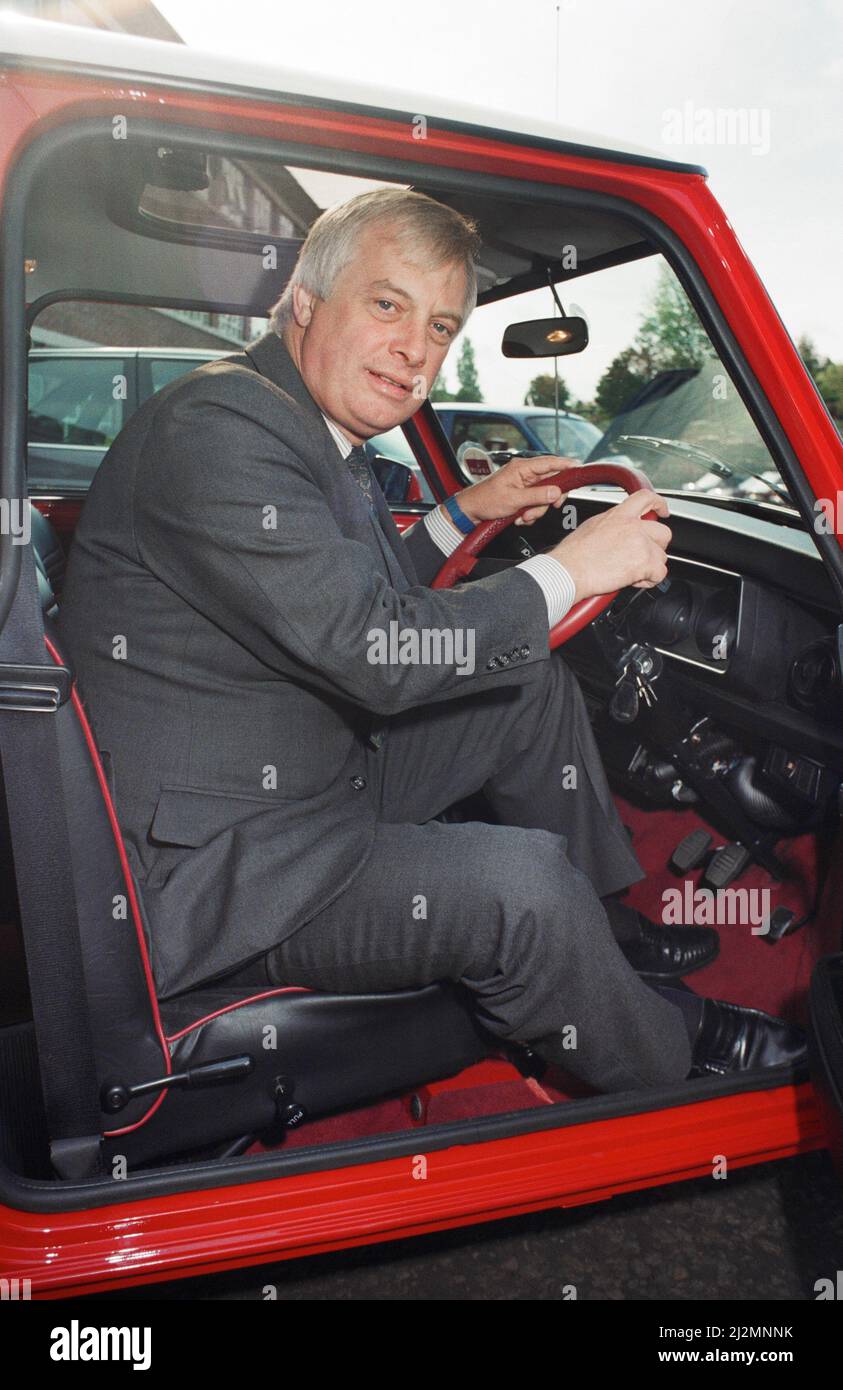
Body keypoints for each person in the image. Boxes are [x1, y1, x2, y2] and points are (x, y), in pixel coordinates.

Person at [56, 187, 805, 1094]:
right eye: (386, 305)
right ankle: (674, 1058)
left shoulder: (300, 424)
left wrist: (463, 515)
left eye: (441, 326)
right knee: (515, 883)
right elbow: (376, 650)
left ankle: (604, 932)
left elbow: (340, 595)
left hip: (295, 772)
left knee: (520, 689)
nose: (416, 348)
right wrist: (571, 569)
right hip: (220, 868)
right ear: (304, 302)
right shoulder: (222, 430)